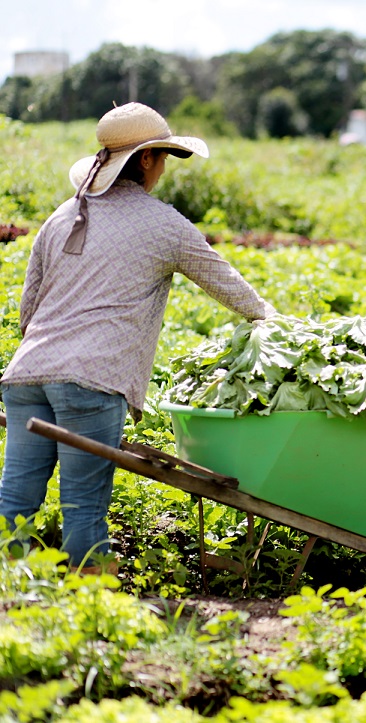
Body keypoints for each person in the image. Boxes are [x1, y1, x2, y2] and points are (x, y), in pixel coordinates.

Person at [0, 103, 276, 572]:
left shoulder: (63, 215)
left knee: (15, 497)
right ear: (146, 159)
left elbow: (29, 307)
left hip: (27, 374)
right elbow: (226, 284)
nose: (164, 169)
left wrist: (49, 352)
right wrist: (271, 319)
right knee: (83, 507)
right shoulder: (163, 223)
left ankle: (12, 594)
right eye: (163, 158)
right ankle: (89, 603)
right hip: (93, 379)